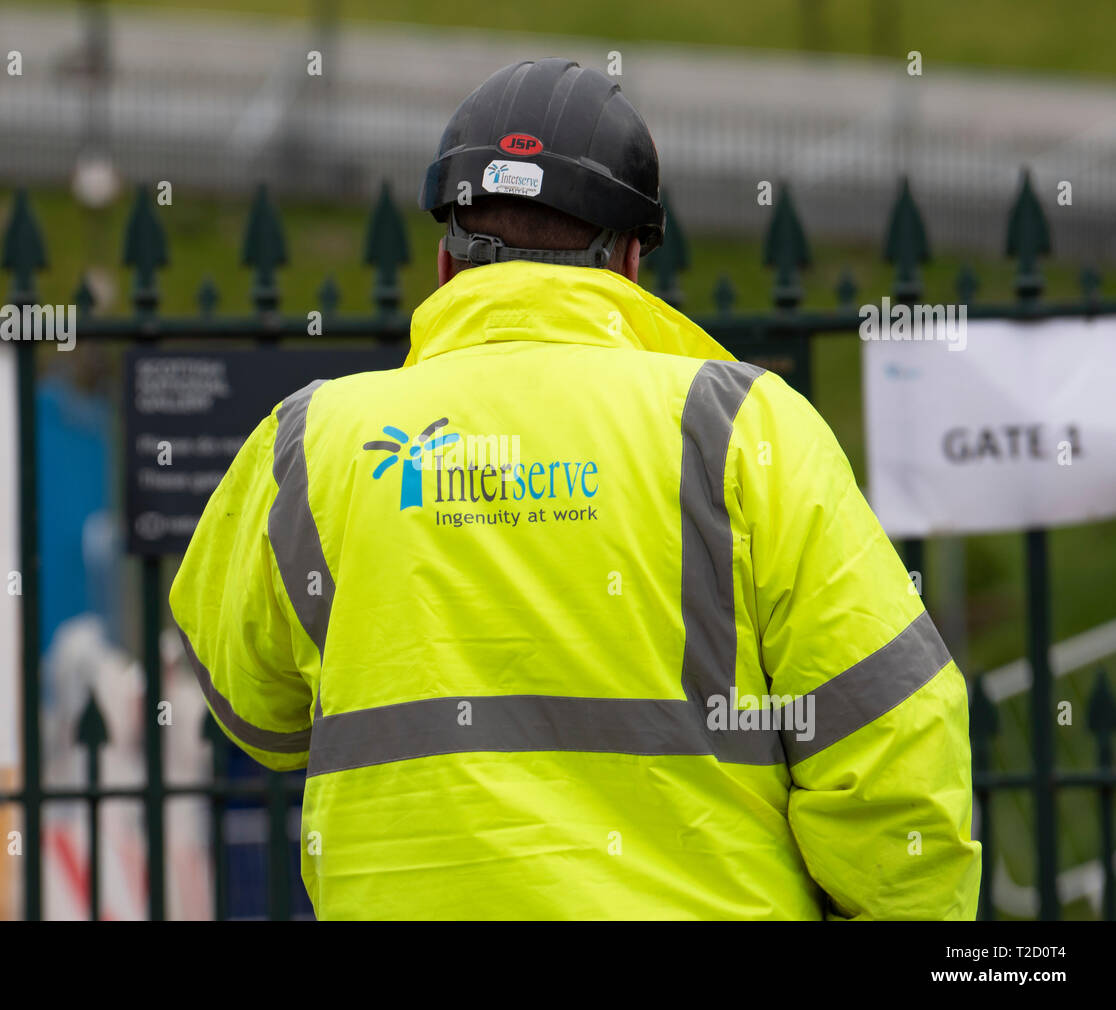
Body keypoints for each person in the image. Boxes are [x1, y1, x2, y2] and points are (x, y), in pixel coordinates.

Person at [169, 58, 981, 920]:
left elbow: (256, 714)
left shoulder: (313, 441)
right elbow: (896, 752)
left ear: (446, 261)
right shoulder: (741, 429)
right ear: (630, 261)